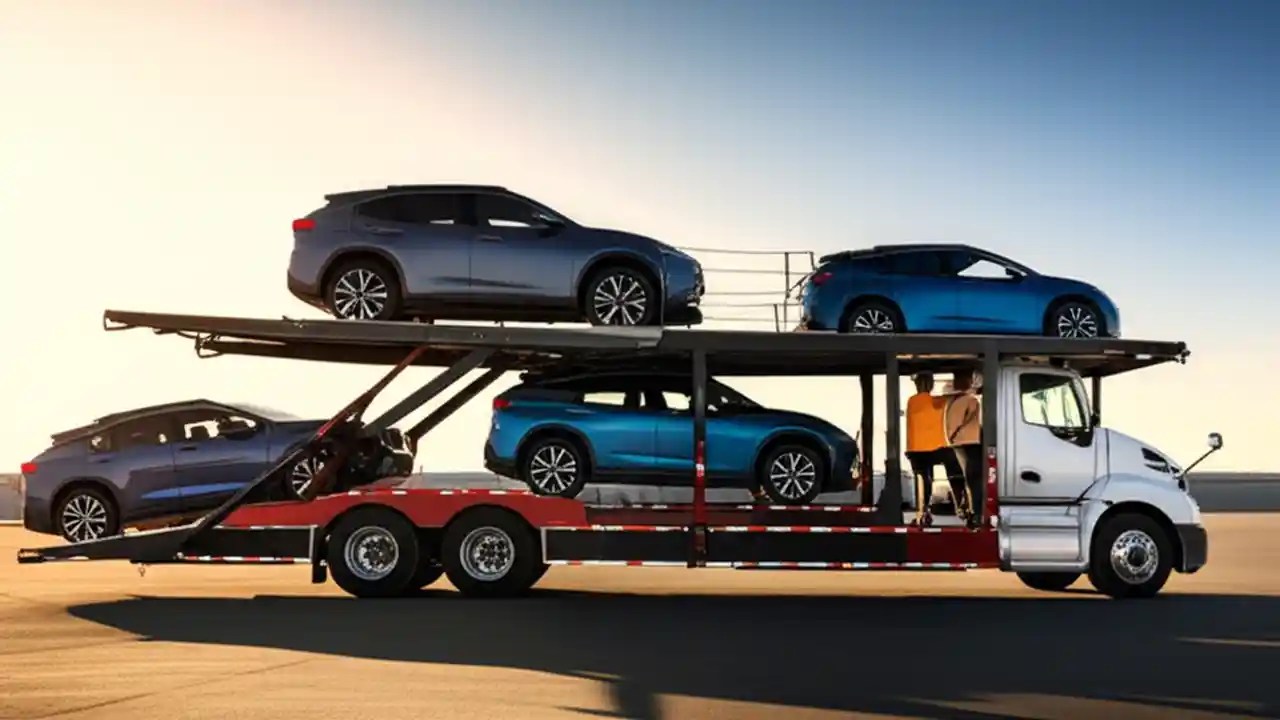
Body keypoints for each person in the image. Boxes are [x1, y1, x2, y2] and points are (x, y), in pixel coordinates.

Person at [945, 368, 983, 528]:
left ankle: (969, 509)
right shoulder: (971, 400)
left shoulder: (951, 401)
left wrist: (951, 436)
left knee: (968, 477)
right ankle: (976, 512)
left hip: (957, 442)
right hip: (972, 442)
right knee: (976, 479)